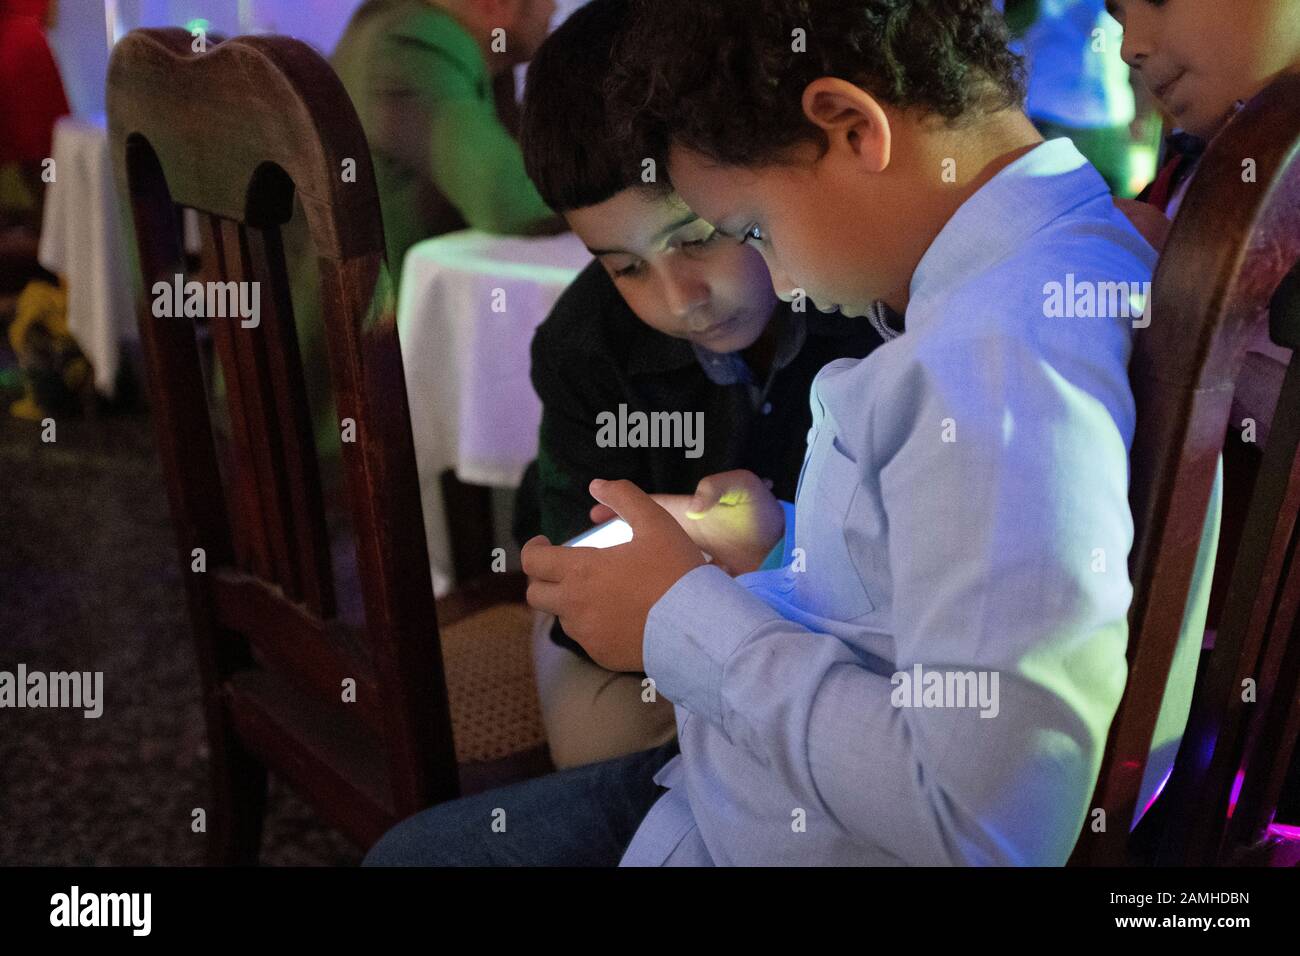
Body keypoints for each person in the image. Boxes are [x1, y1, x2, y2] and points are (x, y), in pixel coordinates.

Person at [363, 0, 1207, 866]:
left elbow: (985, 824)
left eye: (750, 231)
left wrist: (676, 617)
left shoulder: (990, 364)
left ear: (850, 127)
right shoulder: (1052, 266)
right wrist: (781, 547)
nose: (778, 276)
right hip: (749, 792)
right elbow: (934, 585)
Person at [511, 0, 888, 770]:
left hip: (839, 610)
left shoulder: (859, 294)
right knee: (602, 739)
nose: (680, 300)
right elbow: (575, 573)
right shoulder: (584, 350)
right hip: (653, 632)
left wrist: (779, 539)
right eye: (624, 268)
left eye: (698, 238)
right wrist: (701, 550)